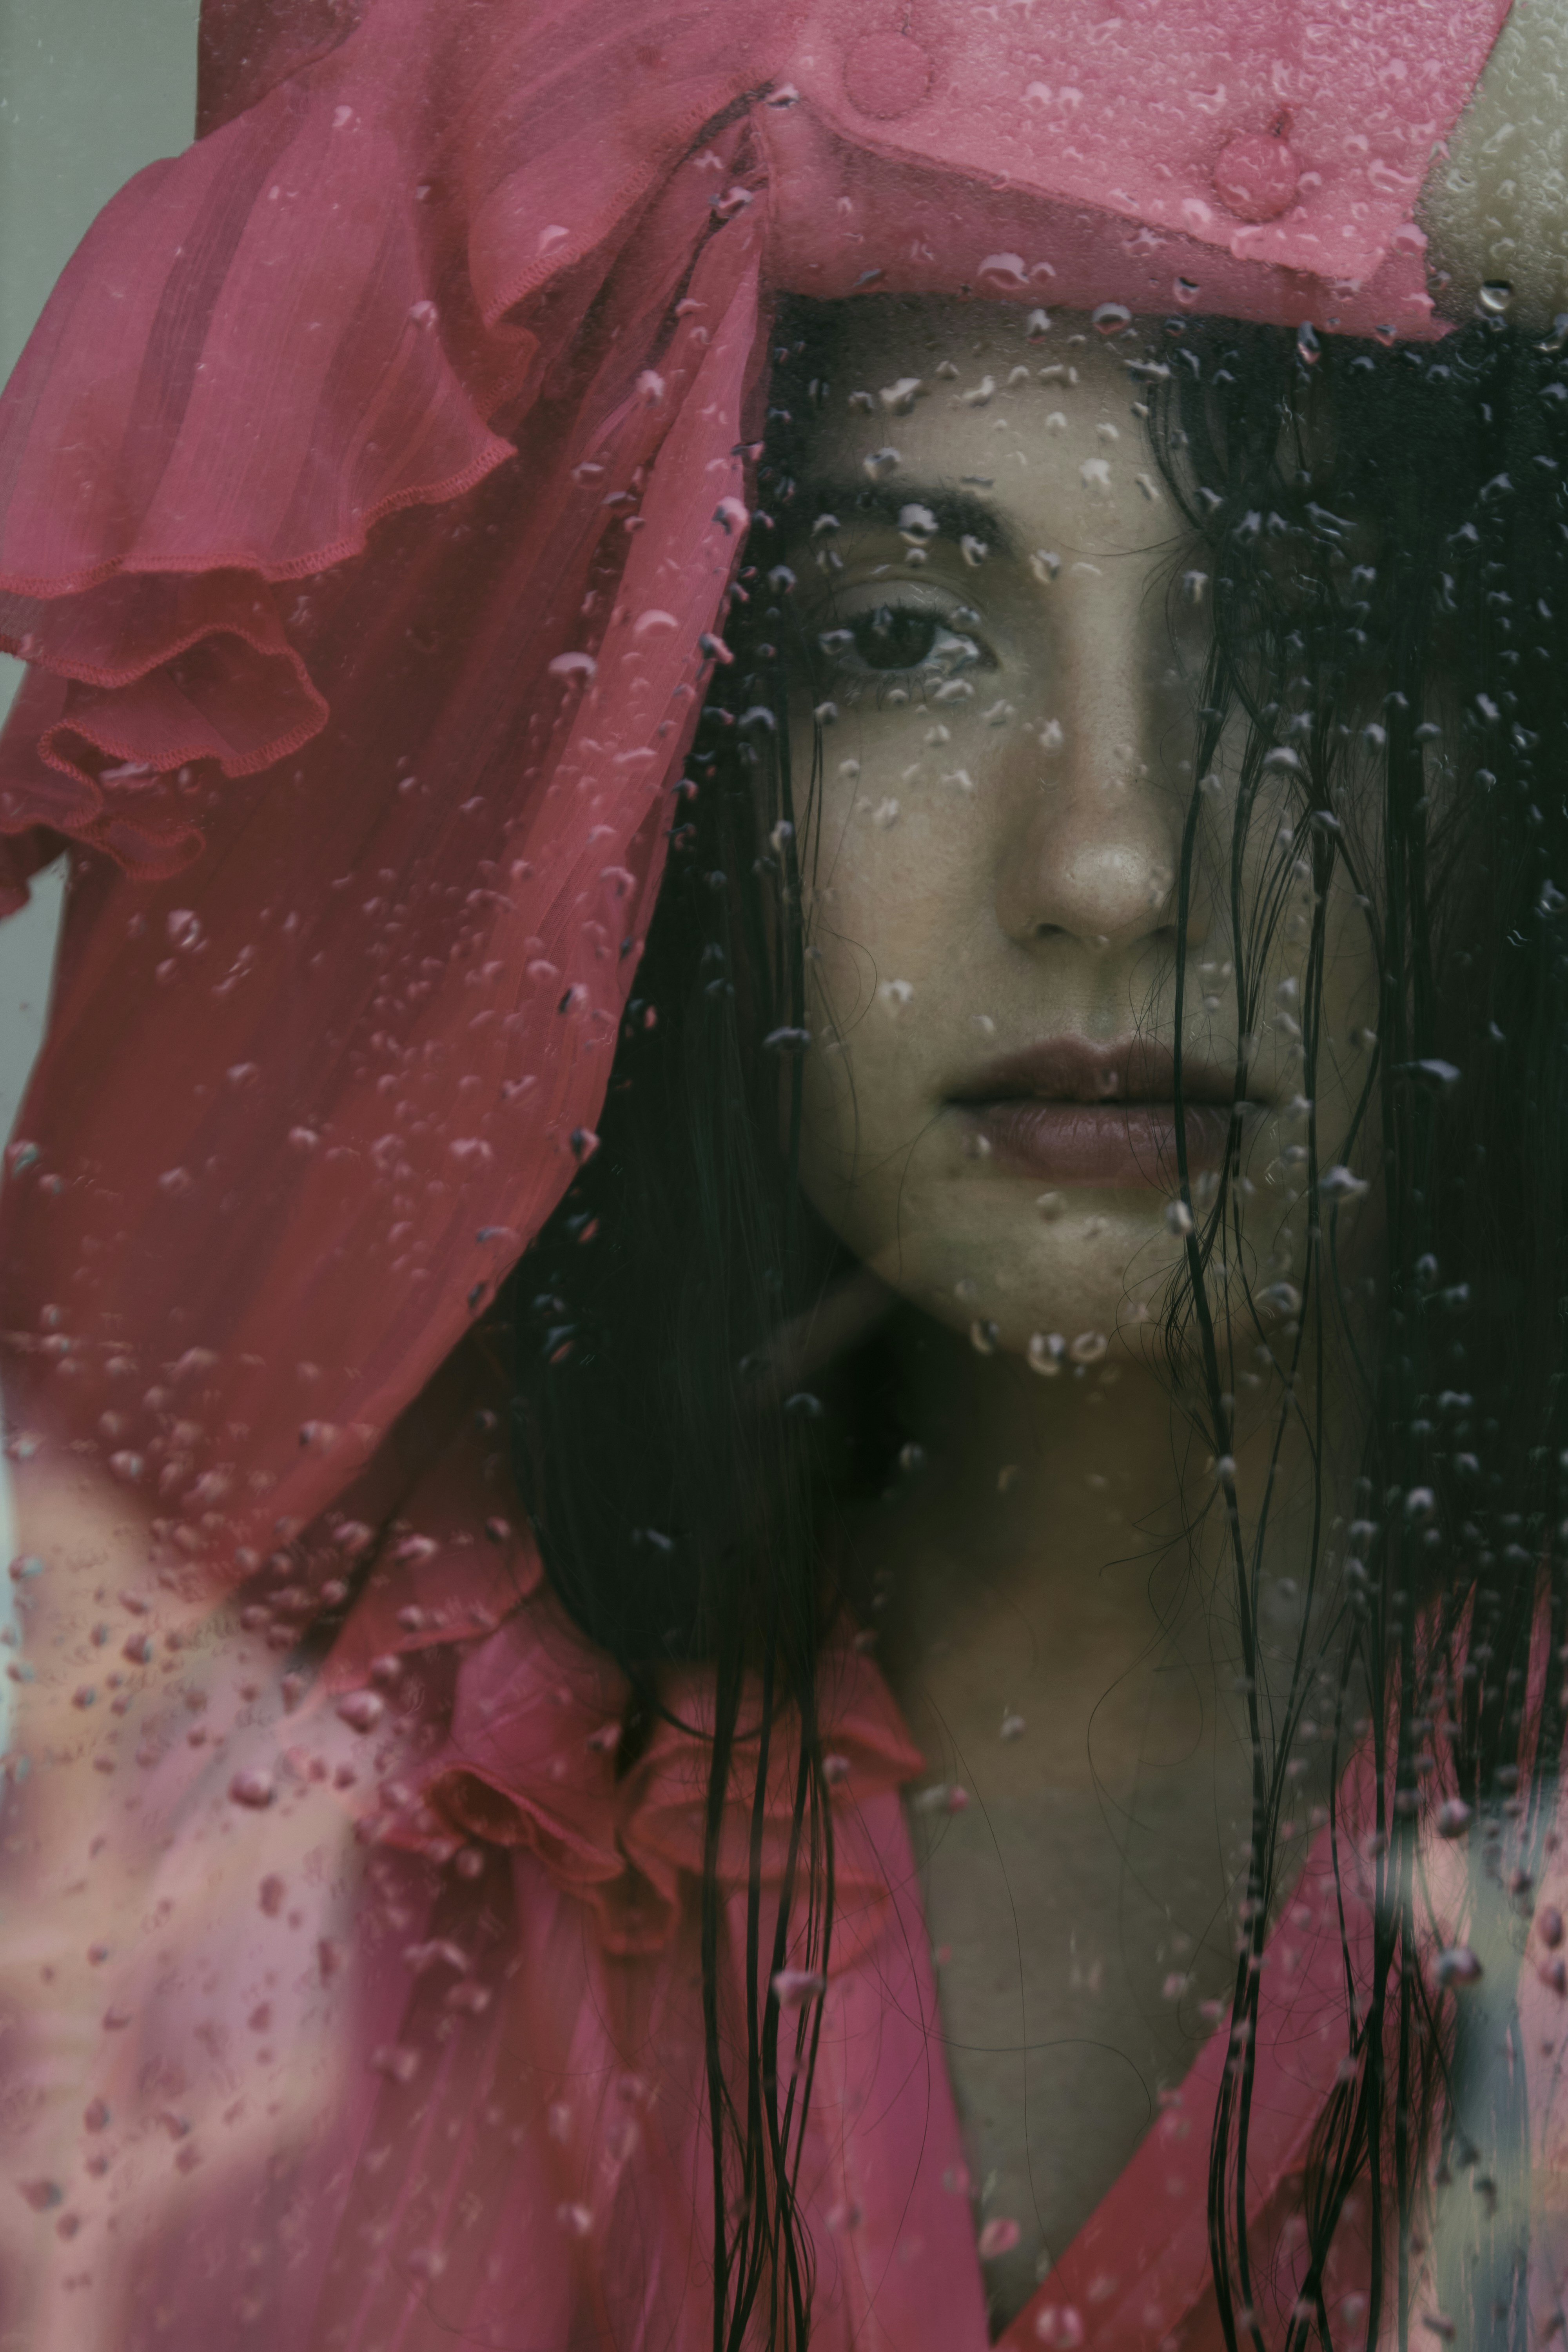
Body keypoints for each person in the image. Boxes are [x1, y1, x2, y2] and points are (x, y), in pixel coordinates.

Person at [0, 1, 1564, 2347]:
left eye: (1315, 644)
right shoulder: (307, 1863)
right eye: (902, 639)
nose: (1114, 859)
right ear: (651, 749)